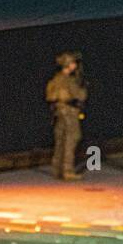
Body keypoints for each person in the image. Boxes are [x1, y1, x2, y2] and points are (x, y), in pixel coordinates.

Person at [45, 51, 87, 180]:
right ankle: (67, 170)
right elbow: (80, 95)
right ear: (68, 64)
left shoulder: (55, 79)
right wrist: (83, 88)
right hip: (69, 111)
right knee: (71, 139)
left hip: (59, 111)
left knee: (60, 140)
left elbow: (50, 96)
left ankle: (57, 168)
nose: (75, 65)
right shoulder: (68, 80)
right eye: (73, 63)